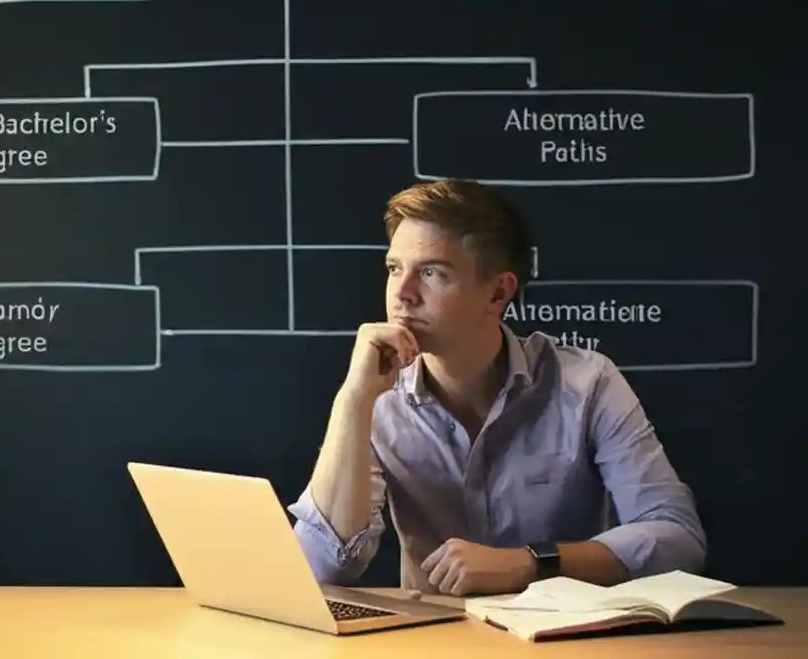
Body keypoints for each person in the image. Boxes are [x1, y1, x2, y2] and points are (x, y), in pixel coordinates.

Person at [287, 178, 706, 597]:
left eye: (432, 272)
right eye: (395, 268)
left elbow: (678, 539)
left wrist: (529, 563)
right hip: (435, 640)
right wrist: (353, 402)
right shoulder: (377, 395)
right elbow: (319, 567)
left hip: (566, 641)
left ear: (498, 292)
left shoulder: (588, 383)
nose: (402, 294)